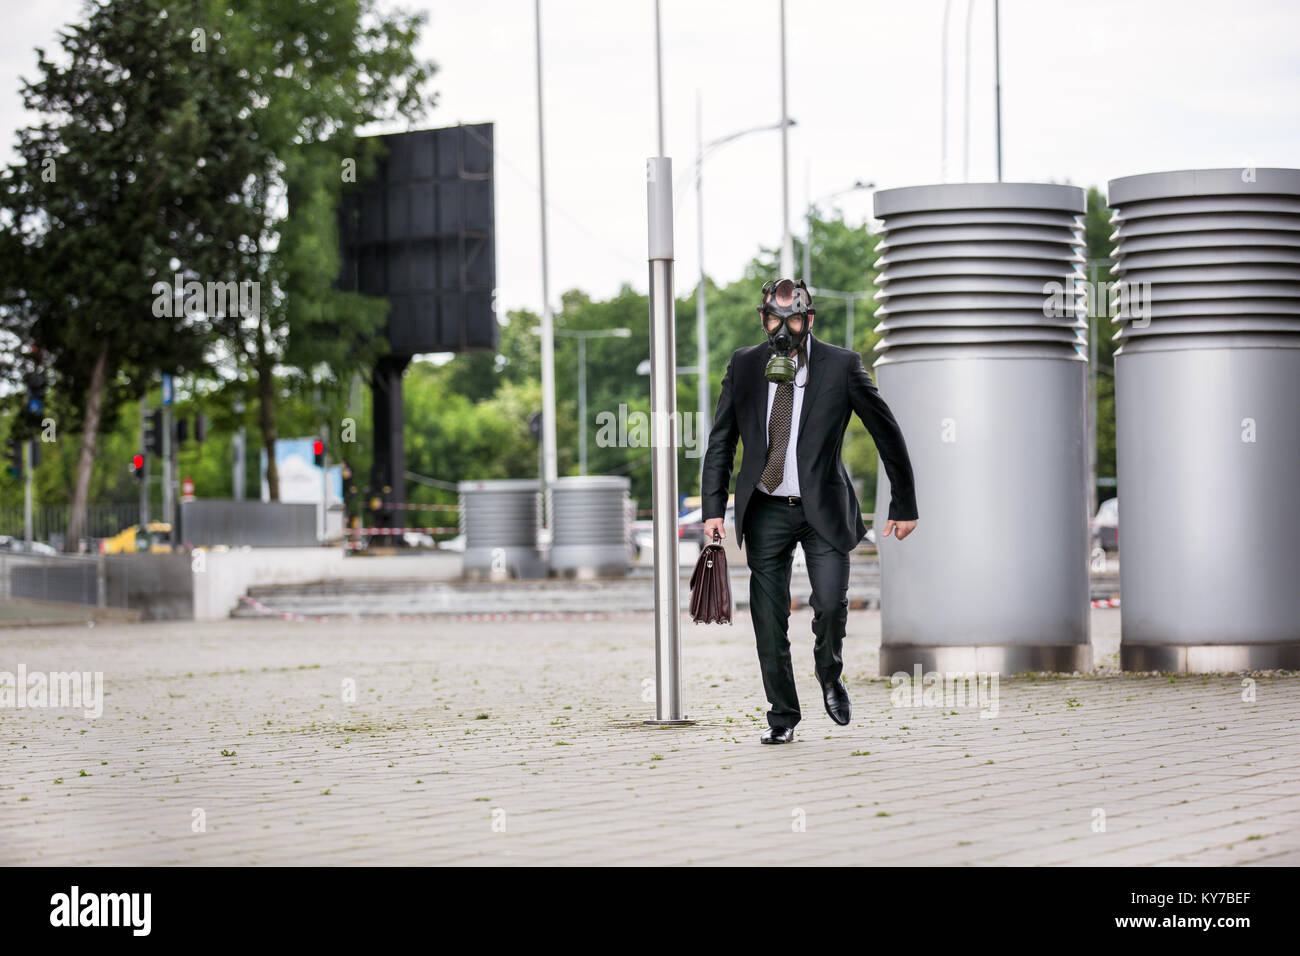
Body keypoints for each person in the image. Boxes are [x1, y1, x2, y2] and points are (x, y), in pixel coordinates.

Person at [700, 278, 919, 744]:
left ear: (809, 319)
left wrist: (904, 503)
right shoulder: (744, 365)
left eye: (793, 319)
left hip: (824, 508)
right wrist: (713, 508)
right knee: (768, 617)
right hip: (765, 509)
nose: (784, 329)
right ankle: (782, 716)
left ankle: (829, 672)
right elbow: (722, 439)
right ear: (763, 319)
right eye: (775, 320)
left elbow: (887, 433)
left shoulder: (841, 366)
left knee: (830, 604)